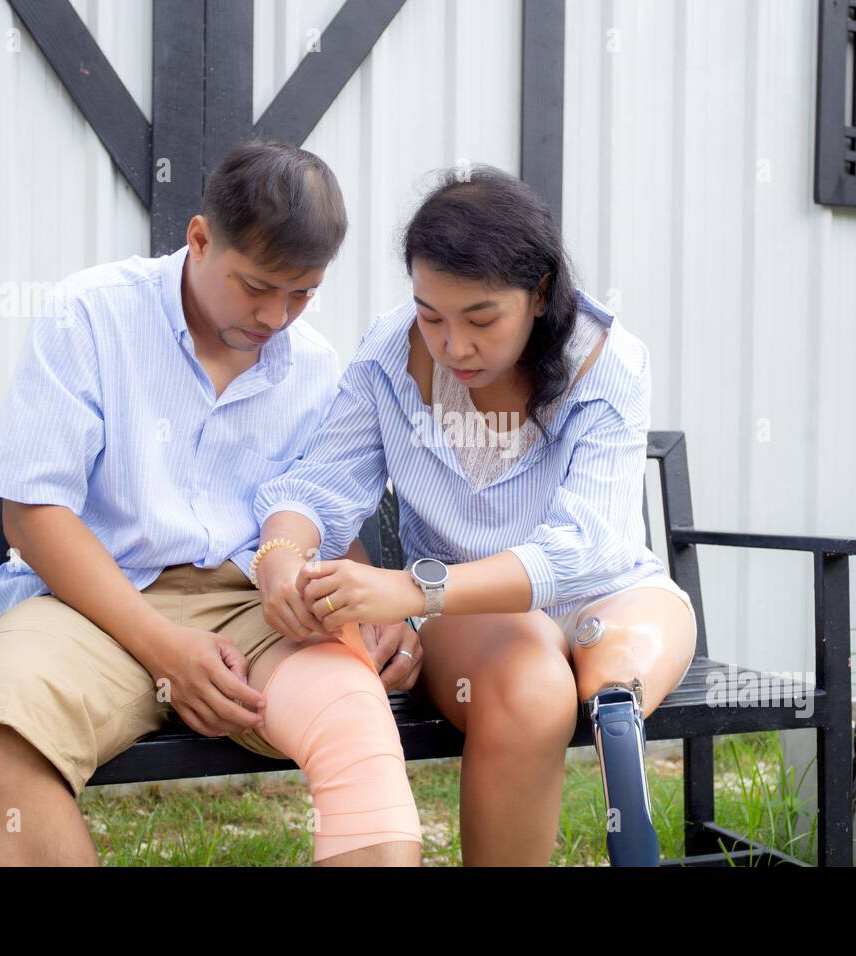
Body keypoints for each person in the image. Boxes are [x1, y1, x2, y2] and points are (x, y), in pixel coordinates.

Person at [0, 141, 423, 866]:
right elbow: (33, 516)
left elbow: (322, 514)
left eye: (303, 292)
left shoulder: (317, 366)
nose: (277, 315)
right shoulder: (88, 315)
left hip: (256, 612)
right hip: (89, 606)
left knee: (360, 731)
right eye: (256, 286)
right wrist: (166, 651)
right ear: (198, 238)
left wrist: (385, 616)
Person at [251, 164, 698, 866]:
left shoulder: (609, 362)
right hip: (473, 617)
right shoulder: (387, 358)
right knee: (534, 686)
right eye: (432, 316)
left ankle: (616, 708)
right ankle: (602, 698)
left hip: (606, 587)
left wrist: (407, 589)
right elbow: (318, 487)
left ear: (541, 292)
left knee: (624, 650)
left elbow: (583, 550)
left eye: (481, 318)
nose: (453, 346)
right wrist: (280, 552)